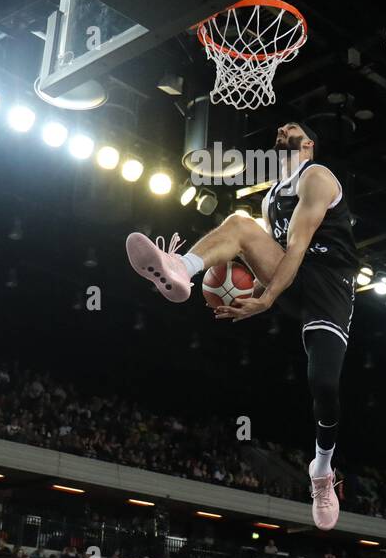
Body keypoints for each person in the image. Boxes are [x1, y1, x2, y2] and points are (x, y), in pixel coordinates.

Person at [124, 122, 357, 530]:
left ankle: (321, 470)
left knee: (323, 385)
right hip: (291, 275)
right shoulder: (270, 198)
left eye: (295, 127)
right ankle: (181, 268)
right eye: (282, 125)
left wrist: (266, 299)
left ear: (309, 144)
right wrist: (232, 268)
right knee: (238, 224)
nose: (283, 126)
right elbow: (273, 251)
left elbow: (299, 247)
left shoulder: (317, 178)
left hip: (329, 288)